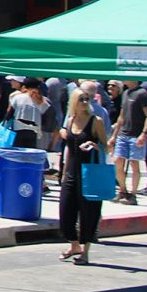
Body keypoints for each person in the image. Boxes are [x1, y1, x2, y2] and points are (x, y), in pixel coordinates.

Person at [57, 87, 112, 265]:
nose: (85, 102)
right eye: (81, 99)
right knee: (66, 211)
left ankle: (85, 251)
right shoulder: (71, 120)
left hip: (90, 172)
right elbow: (68, 148)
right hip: (72, 170)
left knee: (89, 212)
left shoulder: (95, 121)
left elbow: (106, 146)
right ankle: (74, 245)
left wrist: (94, 145)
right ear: (74, 101)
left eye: (87, 99)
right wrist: (64, 172)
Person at [111, 76, 147, 206]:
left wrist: (144, 134)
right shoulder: (125, 93)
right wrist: (114, 135)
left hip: (136, 135)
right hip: (123, 134)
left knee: (134, 164)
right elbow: (121, 116)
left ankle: (133, 194)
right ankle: (123, 190)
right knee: (117, 161)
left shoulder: (142, 94)